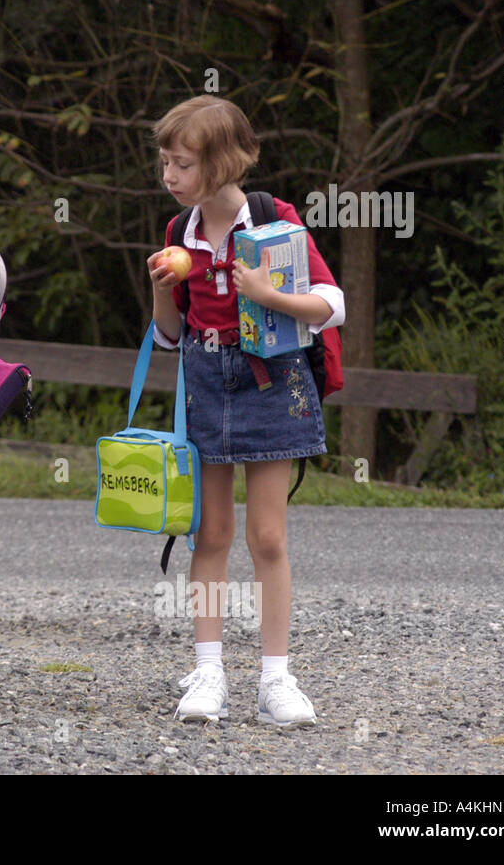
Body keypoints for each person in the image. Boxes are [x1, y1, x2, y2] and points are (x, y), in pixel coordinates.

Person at [148, 95, 344, 727]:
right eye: (165, 163)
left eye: (180, 164)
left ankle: (276, 680)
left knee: (266, 536)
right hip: (205, 377)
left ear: (223, 163)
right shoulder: (180, 233)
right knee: (211, 533)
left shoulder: (275, 221)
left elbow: (331, 305)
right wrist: (162, 296)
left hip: (272, 380)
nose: (169, 176)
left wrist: (267, 294)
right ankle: (208, 672)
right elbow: (171, 338)